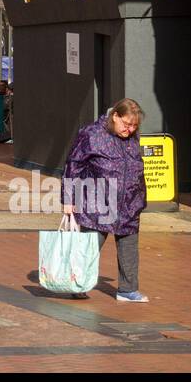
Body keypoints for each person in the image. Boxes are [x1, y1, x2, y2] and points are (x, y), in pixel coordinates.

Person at [61, 98, 148, 303]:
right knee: (91, 244)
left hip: (129, 201)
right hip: (98, 199)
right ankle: (78, 283)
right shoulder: (92, 134)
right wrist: (68, 198)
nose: (130, 129)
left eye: (134, 126)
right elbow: (73, 165)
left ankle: (128, 290)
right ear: (115, 116)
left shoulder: (132, 137)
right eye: (126, 124)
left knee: (129, 245)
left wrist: (140, 197)